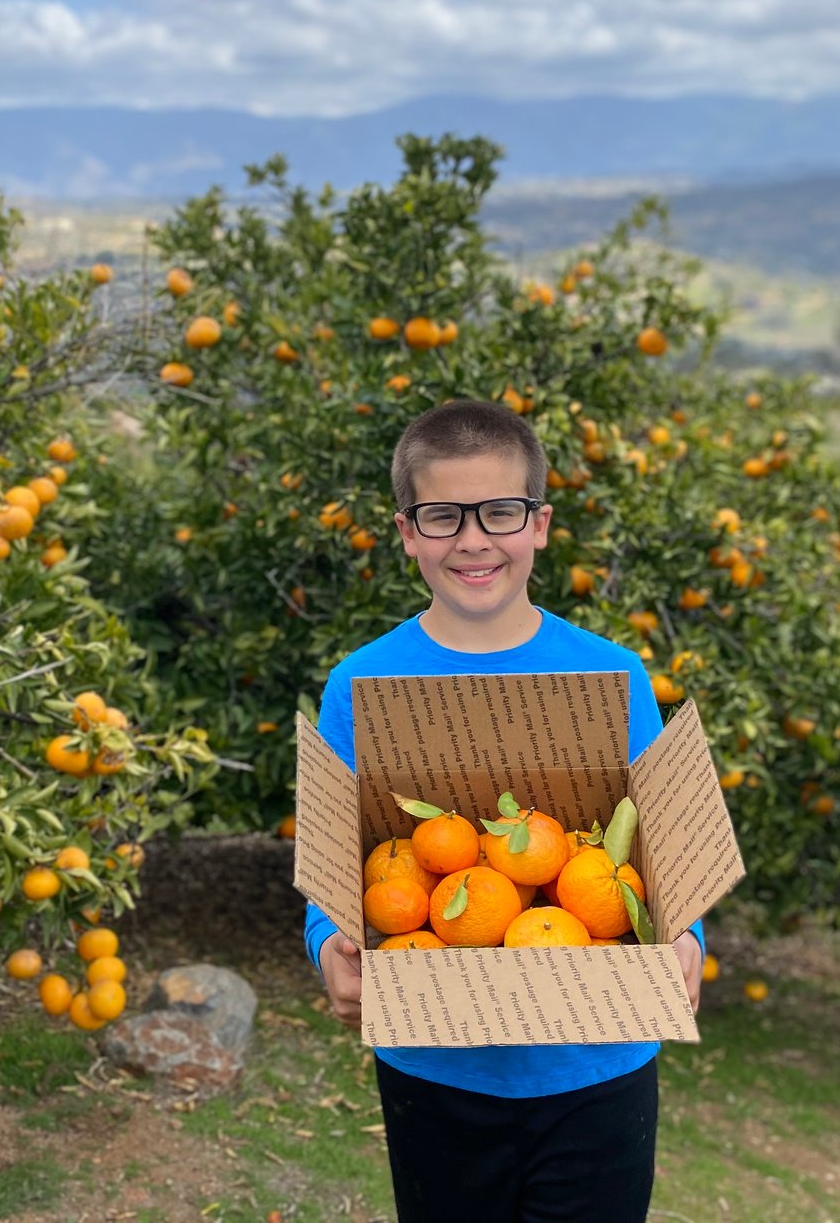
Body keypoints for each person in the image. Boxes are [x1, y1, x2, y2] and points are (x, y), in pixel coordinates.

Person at [303, 397, 706, 1223]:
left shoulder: (612, 675)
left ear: (541, 523)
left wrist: (690, 942)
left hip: (599, 1066)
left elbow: (664, 846)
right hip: (434, 1066)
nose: (474, 539)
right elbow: (338, 863)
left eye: (500, 512)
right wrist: (327, 949)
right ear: (408, 530)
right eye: (443, 516)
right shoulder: (362, 684)